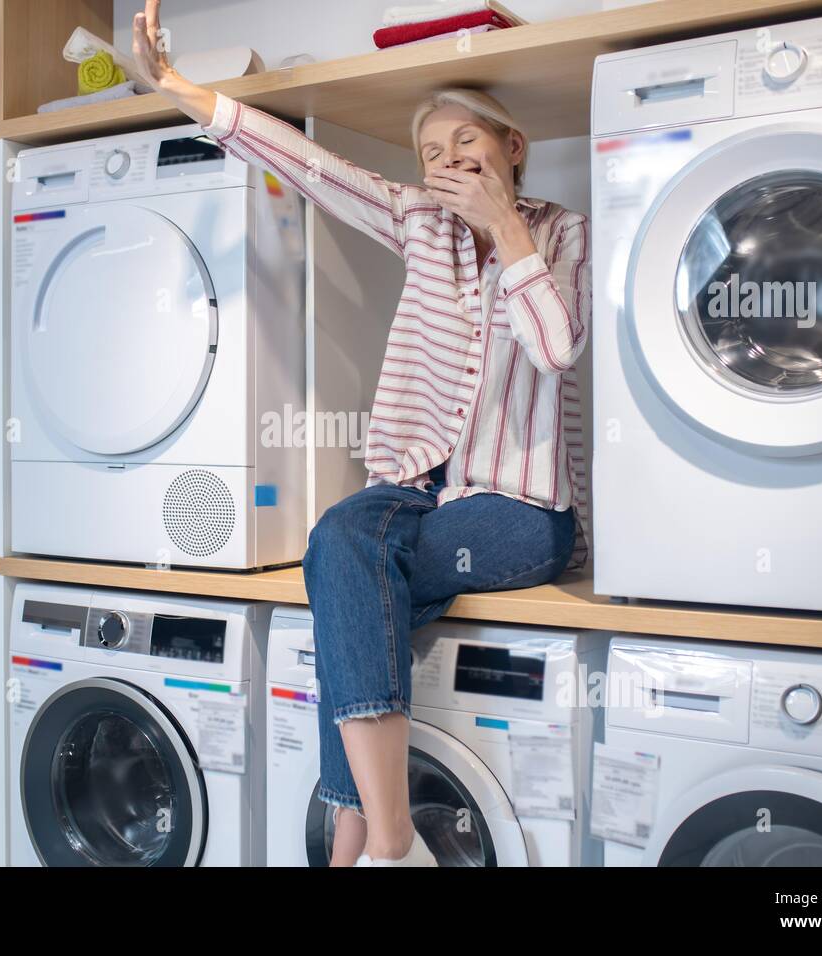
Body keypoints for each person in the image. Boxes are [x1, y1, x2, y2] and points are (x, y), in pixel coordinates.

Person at [130, 0, 589, 867]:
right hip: (411, 501)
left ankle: (354, 829)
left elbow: (556, 346)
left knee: (344, 578)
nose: (448, 164)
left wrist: (506, 227)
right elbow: (310, 166)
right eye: (432, 153)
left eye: (467, 146)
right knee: (341, 542)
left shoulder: (564, 235)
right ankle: (390, 838)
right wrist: (182, 88)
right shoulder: (419, 224)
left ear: (511, 148)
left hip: (520, 513)